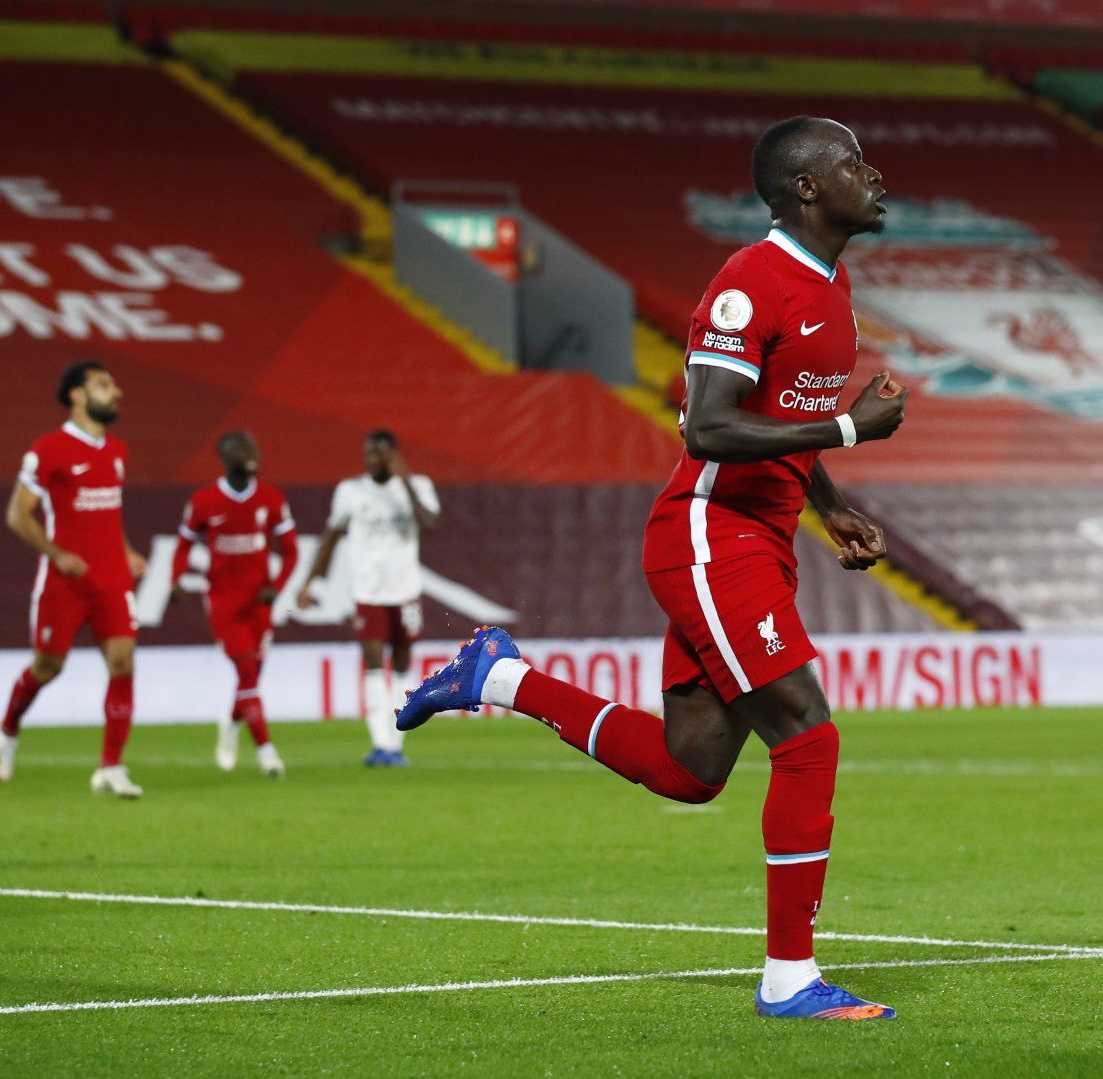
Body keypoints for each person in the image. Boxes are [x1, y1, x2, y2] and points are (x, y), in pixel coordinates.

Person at [396, 117, 908, 1020]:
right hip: (710, 534)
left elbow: (775, 416)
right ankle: (791, 978)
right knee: (808, 735)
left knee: (690, 767)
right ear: (805, 188)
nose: (874, 176)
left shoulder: (833, 286)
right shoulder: (750, 284)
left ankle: (499, 677)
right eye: (852, 163)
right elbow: (709, 426)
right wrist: (848, 428)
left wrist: (827, 504)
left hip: (761, 538)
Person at [0, 361, 146, 797]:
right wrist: (57, 554)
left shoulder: (117, 451)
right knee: (48, 666)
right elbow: (17, 514)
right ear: (77, 395)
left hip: (112, 578)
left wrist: (126, 551)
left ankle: (111, 767)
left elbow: (109, 511)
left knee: (123, 662)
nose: (116, 392)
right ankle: (8, 729)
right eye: (104, 385)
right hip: (64, 581)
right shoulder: (49, 449)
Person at [296, 430, 438, 766]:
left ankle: (396, 743)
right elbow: (331, 536)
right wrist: (309, 582)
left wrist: (405, 484)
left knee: (401, 666)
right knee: (374, 666)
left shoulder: (419, 486)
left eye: (380, 453)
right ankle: (381, 744)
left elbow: (430, 524)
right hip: (367, 593)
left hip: (405, 592)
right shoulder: (350, 491)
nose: (372, 460)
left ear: (394, 455)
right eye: (369, 453)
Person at [170, 430, 296, 777]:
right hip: (224, 603)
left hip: (259, 604)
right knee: (247, 672)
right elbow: (183, 545)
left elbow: (291, 550)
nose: (251, 454)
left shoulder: (271, 498)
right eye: (242, 449)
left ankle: (230, 724)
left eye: (252, 447)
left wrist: (277, 586)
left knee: (251, 677)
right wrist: (175, 579)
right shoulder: (204, 501)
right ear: (225, 457)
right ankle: (267, 753)